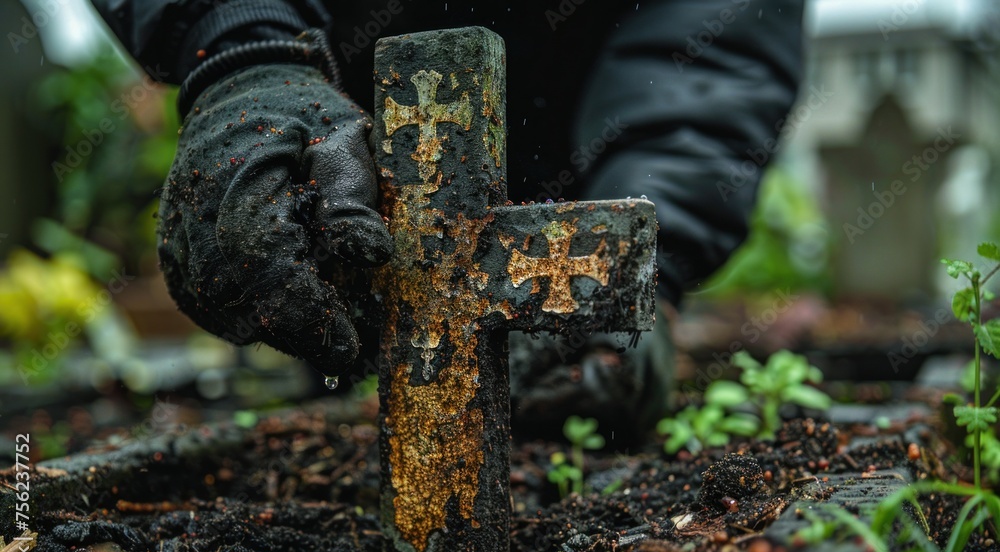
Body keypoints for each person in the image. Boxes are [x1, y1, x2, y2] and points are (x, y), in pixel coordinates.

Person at [89, 0, 804, 441]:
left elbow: (714, 43)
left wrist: (655, 239)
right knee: (352, 350)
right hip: (330, 146)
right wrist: (241, 47)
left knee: (560, 391)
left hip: (573, 184)